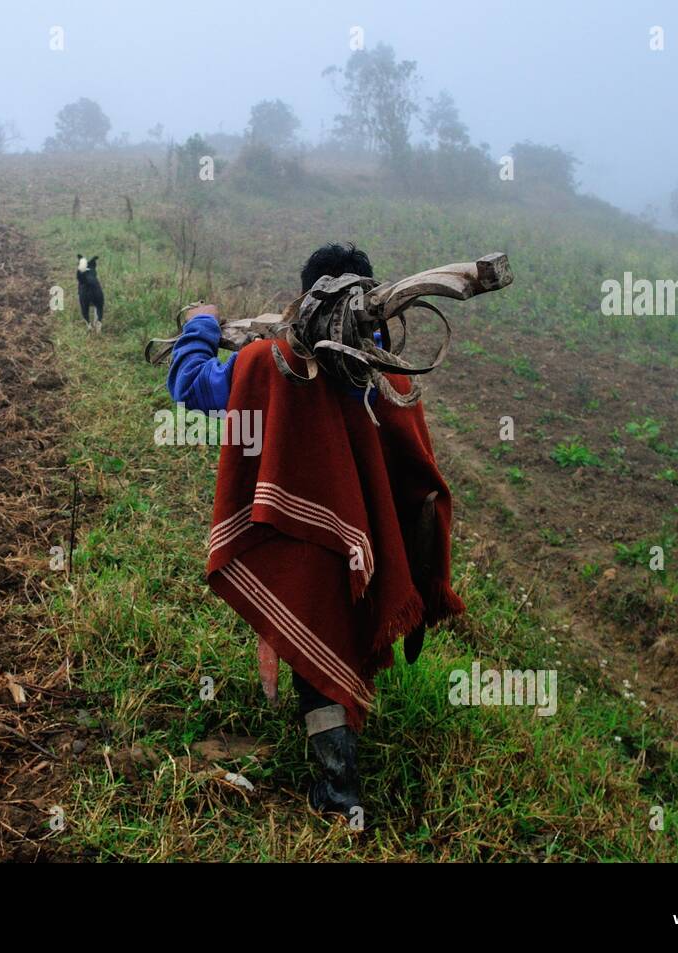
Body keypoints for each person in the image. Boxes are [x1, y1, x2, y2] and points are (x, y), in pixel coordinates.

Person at [166, 242, 465, 823]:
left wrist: (201, 322)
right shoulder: (393, 375)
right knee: (335, 610)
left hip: (304, 537)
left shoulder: (265, 362)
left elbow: (191, 386)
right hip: (372, 547)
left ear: (303, 298)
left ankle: (339, 795)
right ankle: (336, 713)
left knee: (312, 605)